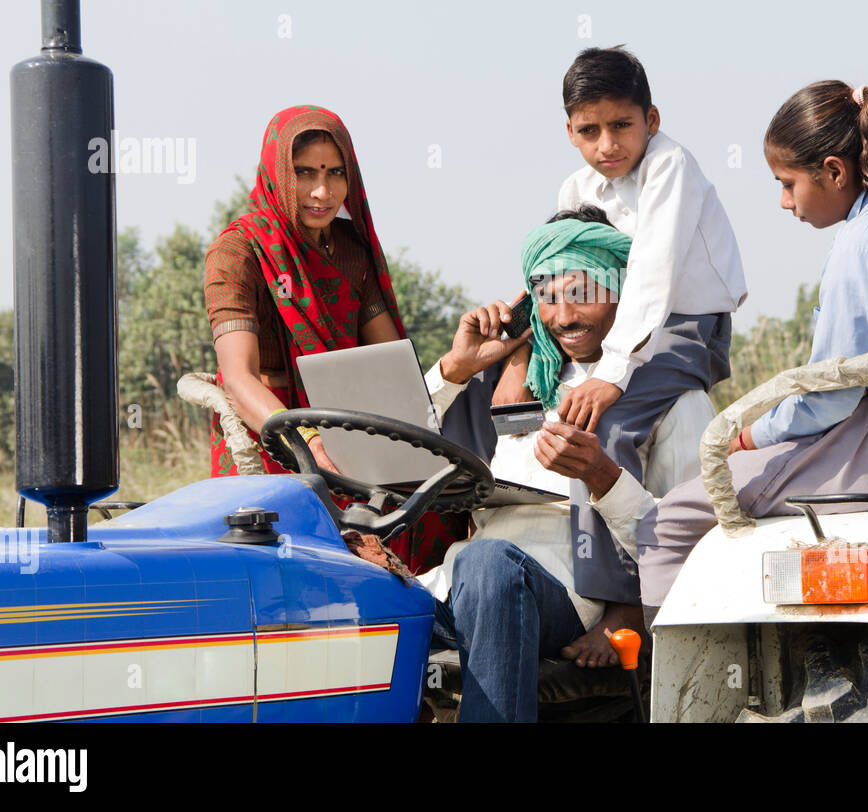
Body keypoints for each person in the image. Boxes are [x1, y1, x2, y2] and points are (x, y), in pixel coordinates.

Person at [637, 81, 868, 612]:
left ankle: (651, 684)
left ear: (834, 170)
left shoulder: (861, 244)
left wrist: (750, 436)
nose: (784, 202)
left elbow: (829, 395)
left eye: (787, 183)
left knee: (669, 521)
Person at [421, 207, 715, 722]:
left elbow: (686, 545)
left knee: (489, 565)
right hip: (454, 582)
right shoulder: (502, 380)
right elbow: (393, 447)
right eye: (548, 296)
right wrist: (454, 369)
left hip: (561, 588)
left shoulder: (672, 395)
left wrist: (601, 476)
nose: (563, 316)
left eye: (582, 293)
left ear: (623, 293)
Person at [495, 46, 747, 606]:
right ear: (569, 132)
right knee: (510, 403)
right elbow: (554, 270)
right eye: (590, 130)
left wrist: (612, 374)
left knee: (601, 429)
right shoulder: (575, 189)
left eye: (621, 125)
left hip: (685, 330)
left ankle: (620, 602)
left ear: (651, 121)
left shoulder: (669, 166)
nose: (607, 145)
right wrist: (514, 353)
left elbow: (653, 274)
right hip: (615, 331)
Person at [202, 105, 466, 573]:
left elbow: (390, 370)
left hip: (349, 427)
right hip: (272, 436)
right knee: (297, 565)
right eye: (304, 173)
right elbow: (239, 378)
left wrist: (459, 368)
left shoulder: (350, 250)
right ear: (277, 171)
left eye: (335, 173)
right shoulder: (237, 250)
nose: (322, 192)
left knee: (447, 517)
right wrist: (307, 441)